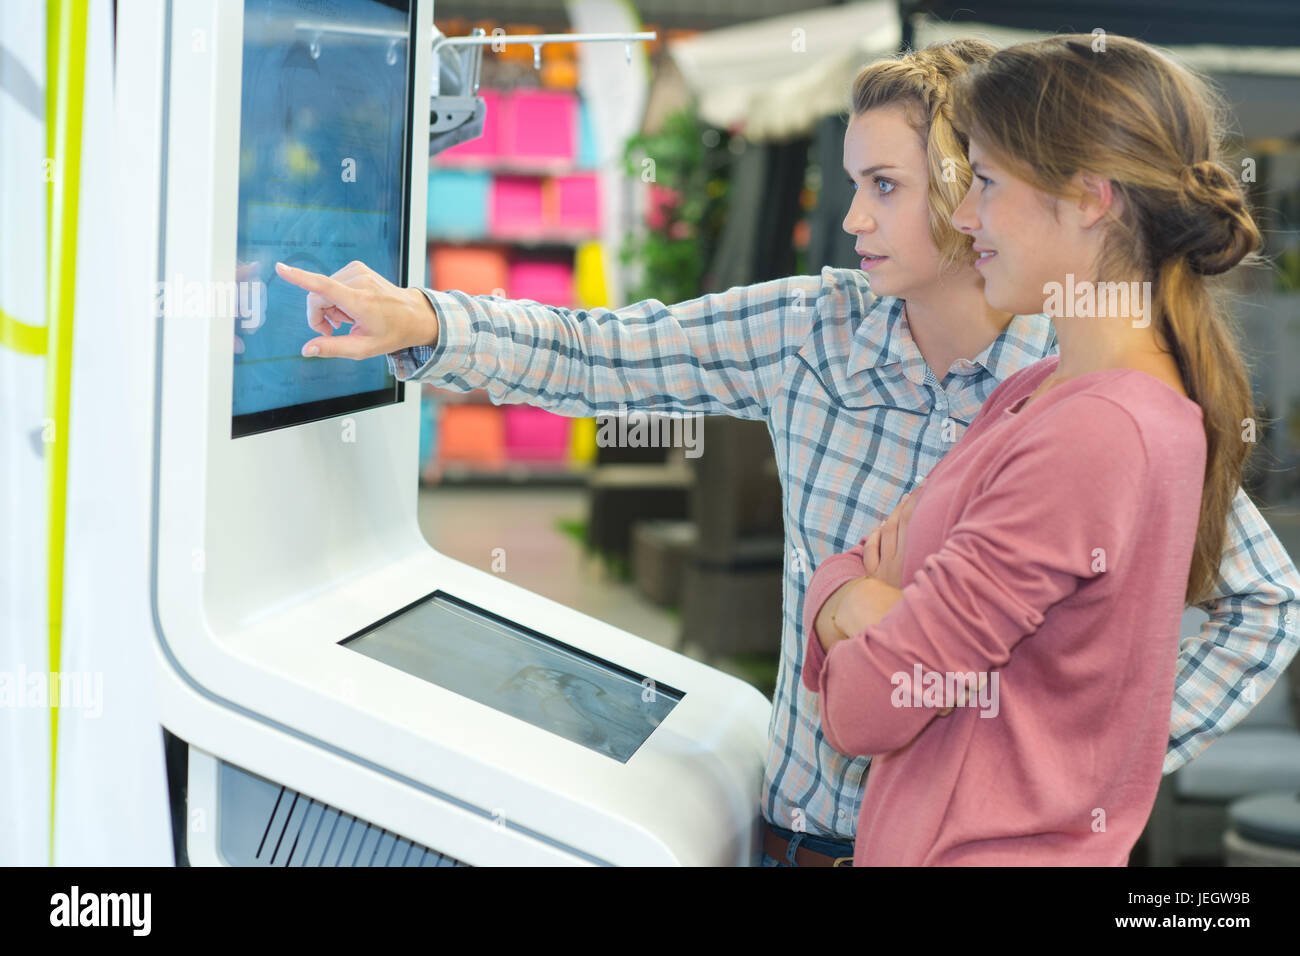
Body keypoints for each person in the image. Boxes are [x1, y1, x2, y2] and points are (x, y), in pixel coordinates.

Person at [274, 38, 1300, 868]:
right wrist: (424, 321)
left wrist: (1065, 776)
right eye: (852, 182)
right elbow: (610, 354)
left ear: (967, 193)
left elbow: (1263, 605)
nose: (850, 218)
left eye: (887, 185)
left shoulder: (1076, 396)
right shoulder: (815, 330)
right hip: (800, 834)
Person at [803, 31, 1278, 865]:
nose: (963, 216)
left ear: (1090, 197)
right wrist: (854, 599)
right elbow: (866, 579)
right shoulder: (1049, 391)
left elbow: (868, 709)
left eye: (985, 181)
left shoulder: (1096, 432)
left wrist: (852, 604)